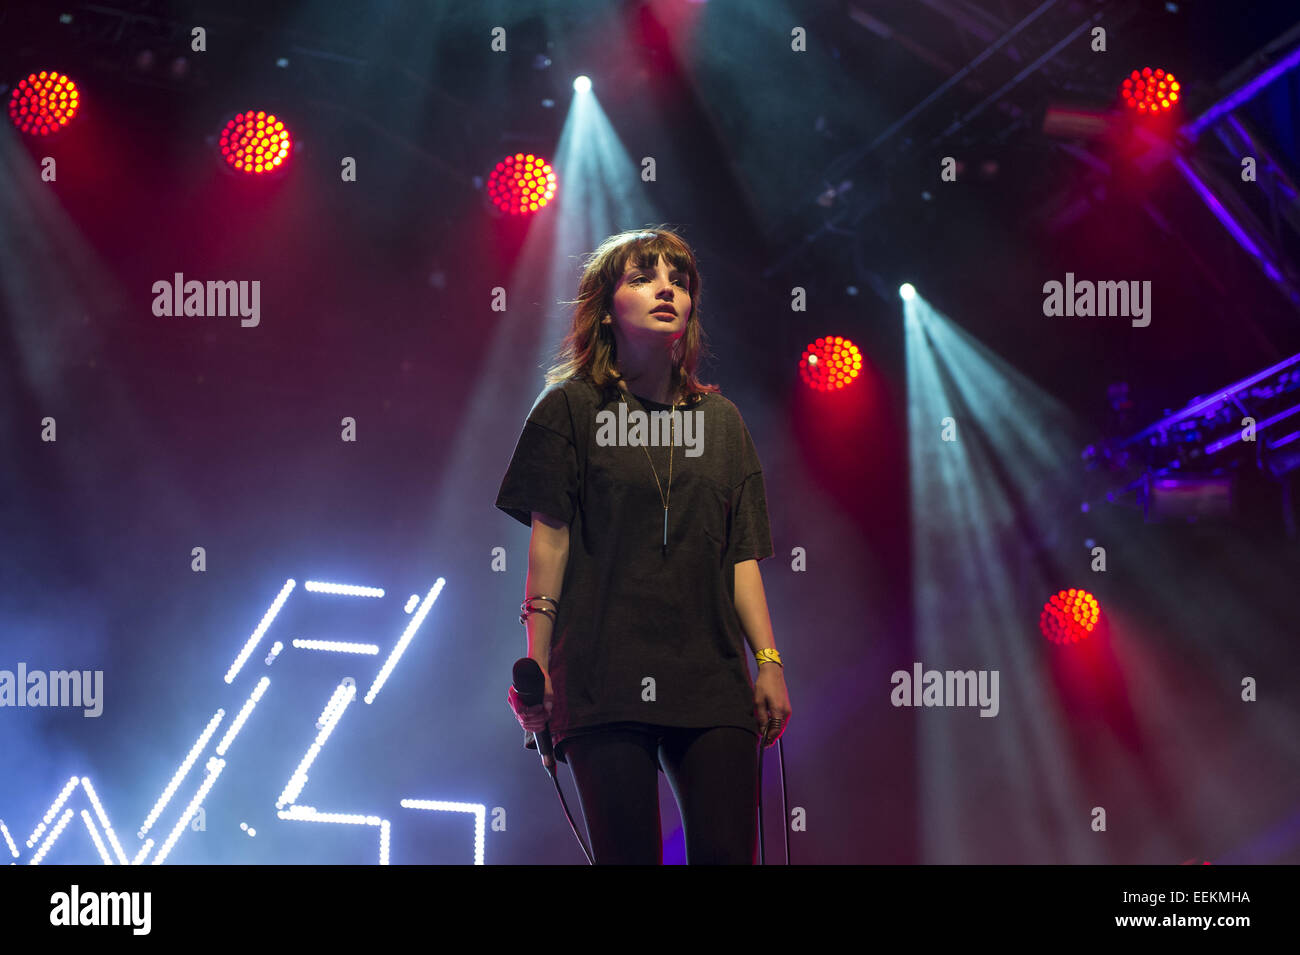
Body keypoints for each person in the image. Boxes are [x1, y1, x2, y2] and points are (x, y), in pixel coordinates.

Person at [495, 226, 791, 864]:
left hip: (710, 678)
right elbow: (550, 543)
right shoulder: (568, 409)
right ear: (605, 307)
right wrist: (537, 672)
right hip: (603, 674)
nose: (666, 290)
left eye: (679, 281)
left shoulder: (722, 423)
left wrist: (768, 661)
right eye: (643, 277)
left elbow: (740, 554)